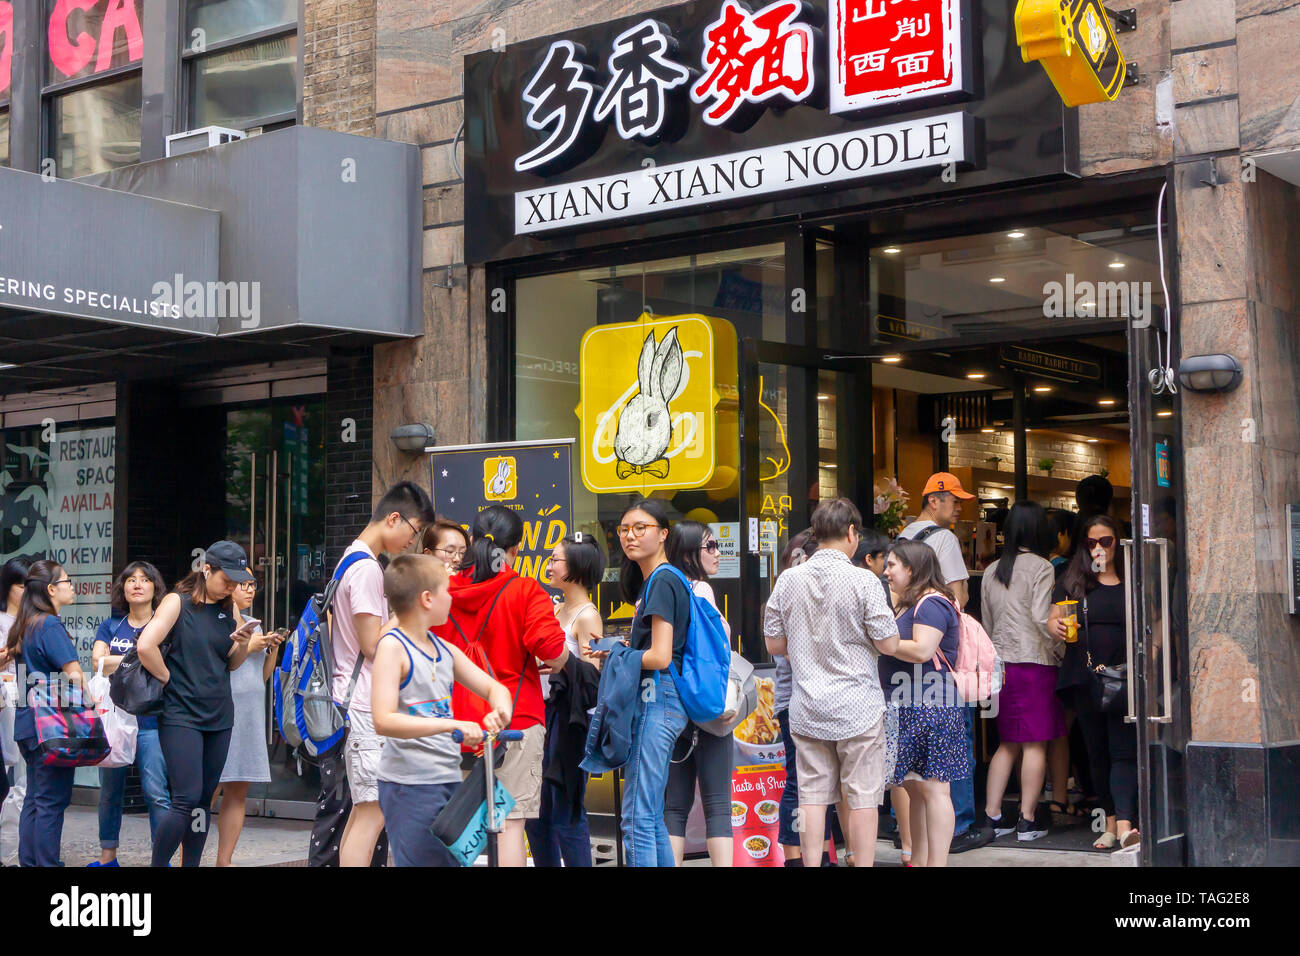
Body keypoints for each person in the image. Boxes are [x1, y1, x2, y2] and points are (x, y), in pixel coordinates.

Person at [764, 498, 900, 868]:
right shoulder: (864, 581)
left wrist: (808, 646)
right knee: (861, 797)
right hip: (859, 706)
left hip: (807, 705)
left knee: (811, 795)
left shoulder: (789, 580)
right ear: (852, 533)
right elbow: (888, 643)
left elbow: (774, 643)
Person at [433, 504, 569, 867]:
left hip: (456, 725)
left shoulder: (441, 593)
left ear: (473, 540)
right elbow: (553, 652)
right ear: (515, 550)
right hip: (517, 721)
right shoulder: (525, 591)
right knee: (509, 825)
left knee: (459, 826)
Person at [312, 480, 435, 868]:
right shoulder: (365, 569)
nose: (411, 543)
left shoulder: (351, 559)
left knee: (364, 812)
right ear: (393, 518)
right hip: (363, 704)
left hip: (356, 702)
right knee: (372, 812)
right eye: (413, 532)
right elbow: (371, 644)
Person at [371, 554, 513, 867]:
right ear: (426, 599)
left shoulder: (442, 648)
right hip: (409, 785)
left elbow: (495, 688)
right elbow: (382, 720)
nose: (451, 597)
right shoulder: (392, 646)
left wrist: (499, 712)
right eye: (446, 591)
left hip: (447, 781)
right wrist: (450, 725)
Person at [137, 543, 258, 867]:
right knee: (185, 799)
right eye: (226, 579)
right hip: (181, 716)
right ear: (206, 570)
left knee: (203, 802)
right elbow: (145, 646)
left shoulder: (228, 608)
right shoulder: (178, 603)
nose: (232, 587)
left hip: (219, 716)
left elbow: (231, 664)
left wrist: (243, 644)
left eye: (237, 581)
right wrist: (168, 679)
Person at [582, 497, 687, 867]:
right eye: (625, 529)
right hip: (662, 700)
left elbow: (660, 656)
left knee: (636, 818)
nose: (630, 536)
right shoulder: (659, 580)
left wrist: (620, 656)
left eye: (640, 528)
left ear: (663, 534)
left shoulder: (661, 580)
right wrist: (619, 650)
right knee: (650, 815)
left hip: (657, 699)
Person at [897, 472, 988, 853]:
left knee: (910, 767)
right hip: (939, 666)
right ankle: (961, 824)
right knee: (953, 752)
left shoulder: (900, 538)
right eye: (954, 501)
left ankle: (912, 846)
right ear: (933, 500)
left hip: (904, 671)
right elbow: (959, 594)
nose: (959, 508)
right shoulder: (945, 538)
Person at [1050, 515, 1138, 850]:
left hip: (1124, 676)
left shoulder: (1133, 578)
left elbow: (1155, 619)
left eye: (1106, 541)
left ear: (1119, 542)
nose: (1099, 548)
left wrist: (1156, 651)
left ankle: (1126, 823)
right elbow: (1054, 618)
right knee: (1097, 752)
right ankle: (1112, 823)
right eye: (1091, 543)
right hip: (1086, 676)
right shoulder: (1074, 579)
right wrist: (1054, 628)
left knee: (1123, 750)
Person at [980, 501, 1065, 842]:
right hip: (1034, 663)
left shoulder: (991, 570)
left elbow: (986, 623)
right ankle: (1028, 819)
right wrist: (1061, 647)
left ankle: (993, 816)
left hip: (1000, 666)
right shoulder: (1043, 568)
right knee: (1035, 745)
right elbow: (1044, 618)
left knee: (1007, 744)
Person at [881, 540, 967, 868]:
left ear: (912, 569)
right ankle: (918, 859)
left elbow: (921, 650)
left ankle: (937, 863)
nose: (886, 572)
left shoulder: (931, 604)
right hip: (907, 704)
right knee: (915, 788)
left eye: (892, 565)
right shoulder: (907, 603)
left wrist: (884, 644)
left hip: (932, 704)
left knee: (934, 789)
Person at [525, 533, 603, 867]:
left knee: (566, 809)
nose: (550, 564)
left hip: (570, 723)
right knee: (535, 811)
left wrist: (559, 666)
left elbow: (591, 678)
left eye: (556, 559)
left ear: (575, 568)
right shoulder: (555, 608)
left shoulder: (587, 616)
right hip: (542, 716)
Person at [89, 561, 171, 867]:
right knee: (110, 792)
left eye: (145, 579)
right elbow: (97, 661)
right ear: (123, 588)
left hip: (151, 720)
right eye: (131, 580)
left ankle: (160, 859)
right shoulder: (111, 625)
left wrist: (117, 660)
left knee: (156, 793)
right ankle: (107, 857)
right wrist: (142, 654)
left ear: (155, 588)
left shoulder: (164, 625)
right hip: (114, 720)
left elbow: (167, 665)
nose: (137, 584)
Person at [664, 520, 734, 867]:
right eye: (710, 547)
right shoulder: (701, 591)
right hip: (707, 708)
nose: (718, 553)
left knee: (674, 807)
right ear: (691, 552)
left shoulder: (661, 586)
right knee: (718, 804)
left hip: (672, 707)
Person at [6, 561, 84, 866]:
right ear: (51, 589)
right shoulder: (49, 624)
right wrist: (91, 706)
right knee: (51, 801)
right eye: (66, 581)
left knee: (36, 800)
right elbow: (74, 674)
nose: (71, 586)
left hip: (28, 723)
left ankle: (31, 862)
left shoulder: (25, 623)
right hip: (52, 727)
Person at [214, 577, 287, 867]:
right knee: (208, 790)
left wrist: (271, 650)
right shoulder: (213, 621)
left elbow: (262, 678)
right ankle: (187, 860)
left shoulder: (252, 624)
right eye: (242, 584)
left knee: (238, 789)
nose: (249, 589)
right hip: (220, 710)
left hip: (250, 712)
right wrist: (248, 645)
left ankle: (224, 861)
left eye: (253, 584)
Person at [772, 529, 834, 867]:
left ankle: (818, 855)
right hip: (798, 700)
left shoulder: (790, 588)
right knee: (801, 783)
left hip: (808, 700)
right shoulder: (792, 592)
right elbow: (796, 655)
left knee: (815, 784)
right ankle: (798, 859)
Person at [0, 557, 31, 865]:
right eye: (23, 585)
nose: (27, 592)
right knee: (13, 778)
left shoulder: (35, 621)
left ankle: (15, 852)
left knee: (23, 781)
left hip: (27, 701)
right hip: (6, 702)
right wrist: (14, 649)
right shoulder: (2, 622)